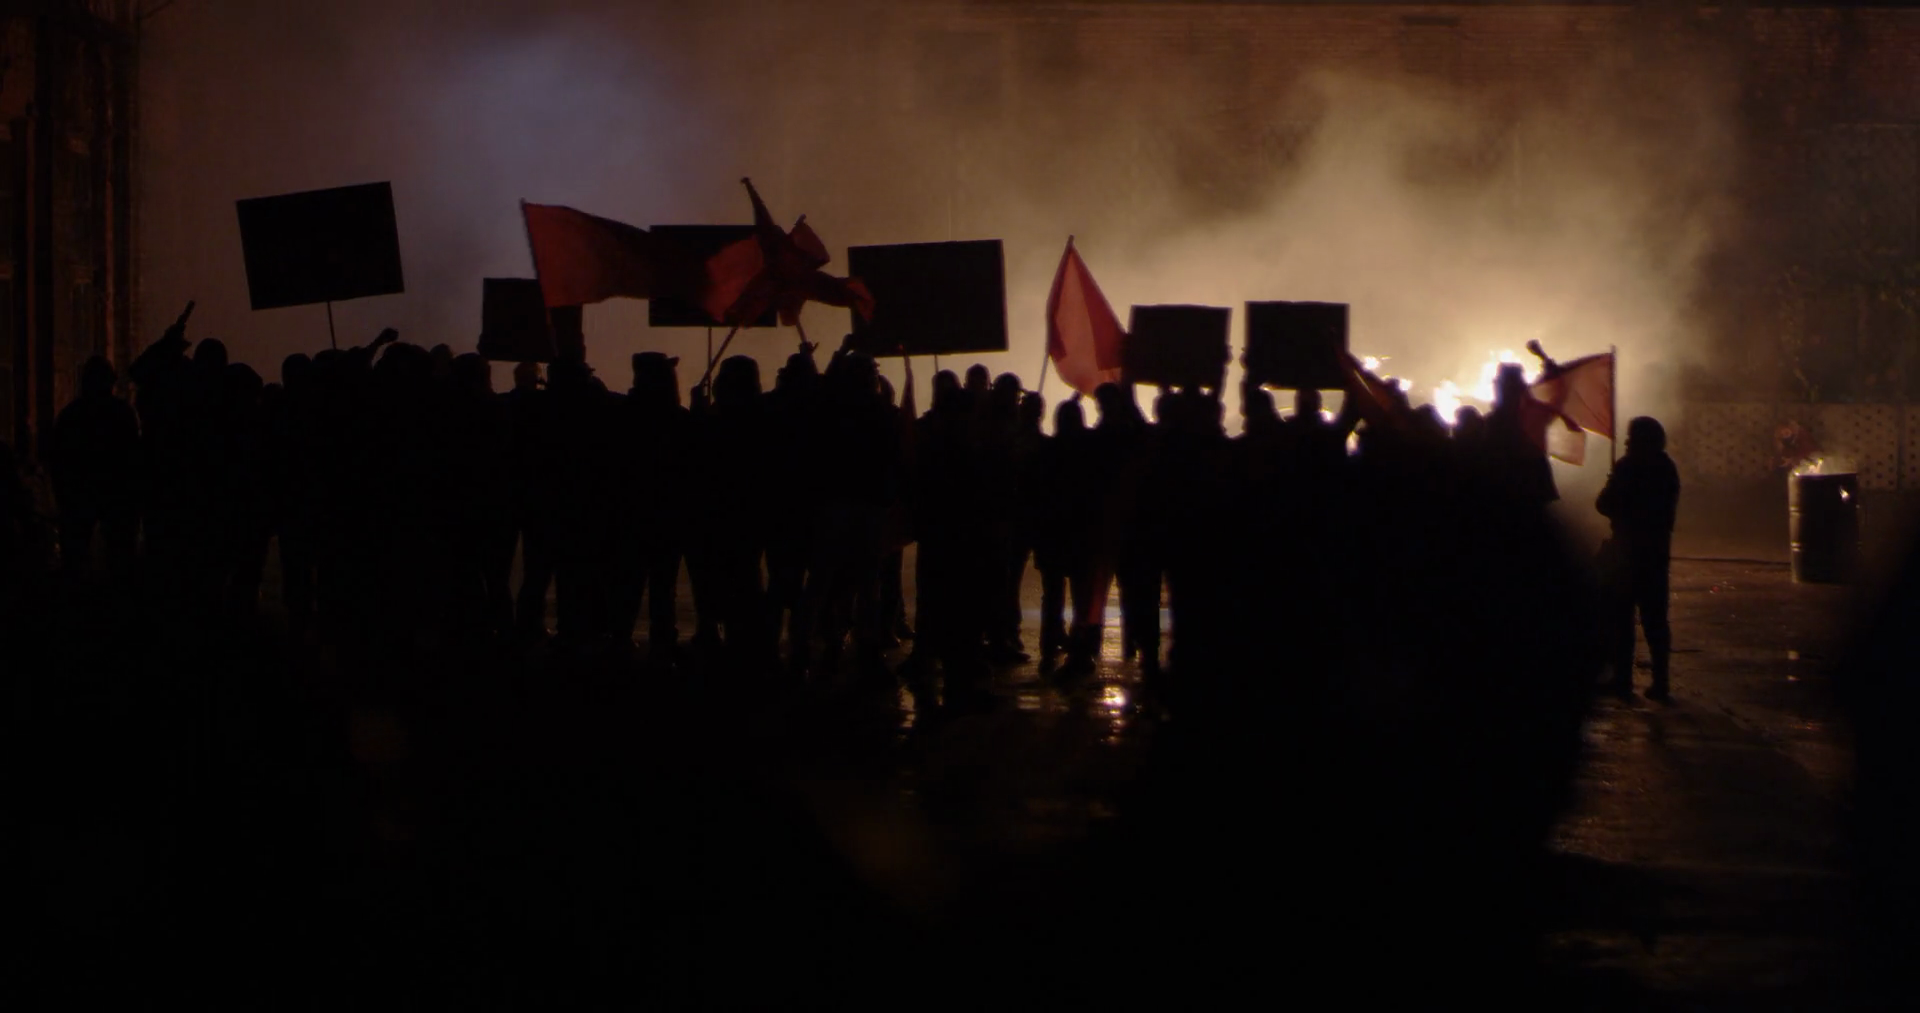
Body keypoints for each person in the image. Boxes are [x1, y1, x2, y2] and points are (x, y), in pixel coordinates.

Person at [1596, 416, 1680, 701]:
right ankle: (1661, 681)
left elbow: (1604, 504)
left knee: (1622, 618)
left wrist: (1613, 481)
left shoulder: (1628, 467)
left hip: (1628, 552)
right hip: (1656, 552)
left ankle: (1623, 679)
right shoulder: (1667, 469)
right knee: (1655, 619)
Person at [49, 356, 142, 575]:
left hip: (82, 494)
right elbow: (132, 458)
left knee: (77, 559)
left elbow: (59, 461)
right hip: (114, 495)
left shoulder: (71, 416)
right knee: (119, 558)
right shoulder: (121, 413)